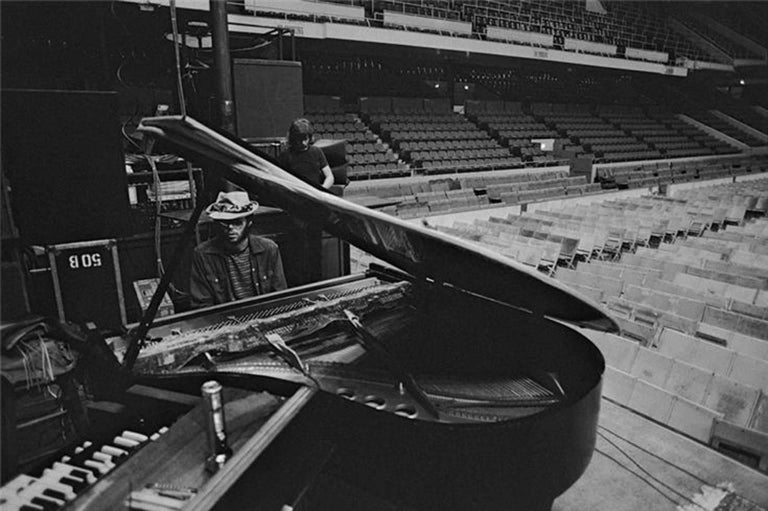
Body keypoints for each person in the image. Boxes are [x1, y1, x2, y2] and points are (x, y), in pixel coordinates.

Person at [189, 191, 287, 309]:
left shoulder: (269, 249)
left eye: (237, 222)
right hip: (224, 318)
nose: (230, 228)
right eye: (225, 222)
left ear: (249, 222)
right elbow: (202, 305)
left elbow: (280, 297)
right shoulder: (203, 254)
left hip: (265, 314)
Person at [278, 118, 335, 190]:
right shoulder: (285, 155)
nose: (303, 143)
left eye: (305, 139)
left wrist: (322, 189)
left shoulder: (316, 151)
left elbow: (330, 177)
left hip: (314, 193)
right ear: (294, 139)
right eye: (300, 140)